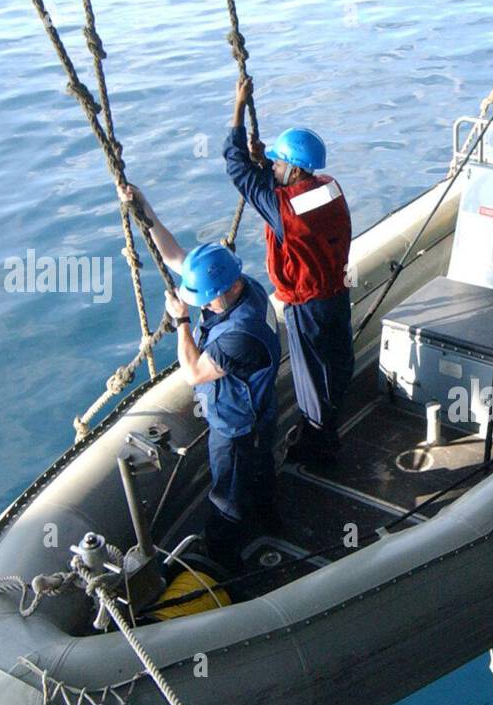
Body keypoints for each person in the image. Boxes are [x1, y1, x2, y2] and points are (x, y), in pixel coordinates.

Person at [118, 183, 283, 569]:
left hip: (240, 426)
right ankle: (271, 519)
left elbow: (194, 372)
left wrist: (182, 323)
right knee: (260, 476)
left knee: (228, 495)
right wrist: (146, 211)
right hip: (260, 411)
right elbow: (176, 257)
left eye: (205, 299)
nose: (203, 303)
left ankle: (224, 556)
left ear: (223, 291)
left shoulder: (239, 336)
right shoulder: (245, 287)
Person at [224, 78, 354, 465]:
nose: (275, 167)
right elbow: (277, 189)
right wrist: (266, 162)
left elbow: (236, 169)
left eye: (281, 163)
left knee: (312, 380)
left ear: (295, 170)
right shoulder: (327, 187)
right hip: (335, 296)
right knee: (335, 365)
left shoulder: (285, 210)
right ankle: (323, 429)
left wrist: (238, 107)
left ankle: (319, 447)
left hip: (308, 307)